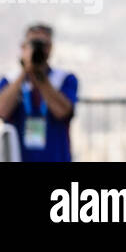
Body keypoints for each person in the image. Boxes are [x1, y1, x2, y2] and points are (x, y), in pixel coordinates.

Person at [0, 24, 78, 162]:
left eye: (43, 45)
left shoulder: (64, 79)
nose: (38, 49)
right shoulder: (10, 80)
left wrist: (40, 76)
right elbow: (2, 110)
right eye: (33, 44)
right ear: (23, 47)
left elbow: (63, 112)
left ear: (50, 48)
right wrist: (25, 70)